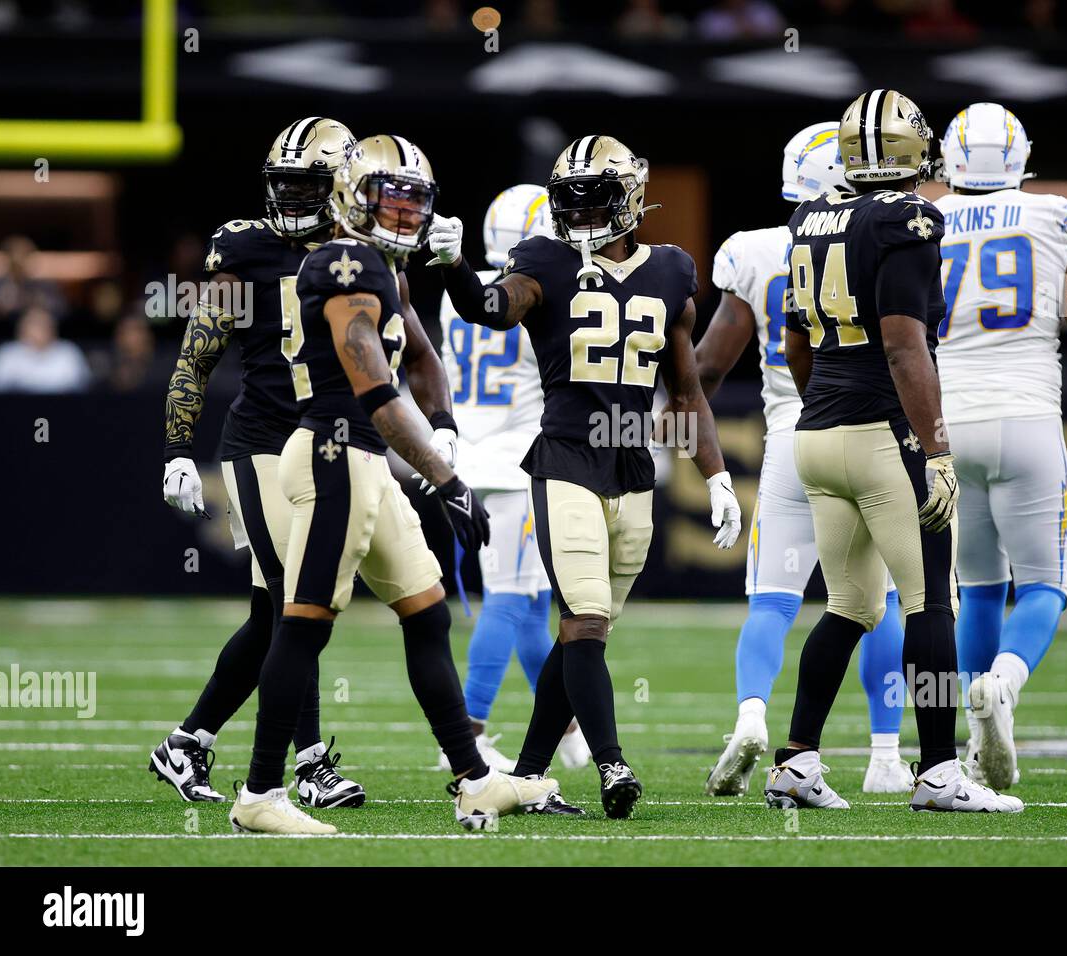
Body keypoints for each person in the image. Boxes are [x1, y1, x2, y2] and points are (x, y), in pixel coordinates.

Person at [231, 133, 562, 835]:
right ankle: (260, 793)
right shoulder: (349, 263)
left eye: (417, 201)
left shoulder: (380, 263)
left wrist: (442, 421)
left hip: (362, 461)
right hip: (332, 454)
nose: (408, 214)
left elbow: (417, 353)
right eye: (393, 198)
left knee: (427, 611)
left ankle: (475, 779)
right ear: (354, 194)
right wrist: (446, 477)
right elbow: (374, 387)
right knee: (305, 621)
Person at [428, 134, 741, 818]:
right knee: (587, 624)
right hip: (565, 460)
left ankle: (531, 776)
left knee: (577, 638)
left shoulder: (670, 270)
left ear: (628, 196)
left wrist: (715, 473)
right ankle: (611, 764)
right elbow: (488, 308)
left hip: (633, 471)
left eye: (595, 200)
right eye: (571, 202)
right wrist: (453, 265)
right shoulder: (543, 259)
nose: (583, 216)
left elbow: (686, 391)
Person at [764, 89, 1022, 813]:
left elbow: (795, 341)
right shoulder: (907, 219)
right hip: (884, 436)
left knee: (847, 605)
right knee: (929, 602)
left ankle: (796, 761)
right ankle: (939, 772)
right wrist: (934, 448)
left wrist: (831, 404)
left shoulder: (809, 216)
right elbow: (906, 346)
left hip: (816, 434)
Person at [153, 118, 370, 809]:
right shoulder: (244, 246)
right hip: (261, 443)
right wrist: (178, 452)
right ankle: (307, 763)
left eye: (306, 185)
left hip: (324, 443)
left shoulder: (357, 251)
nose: (292, 199)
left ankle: (186, 743)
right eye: (284, 186)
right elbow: (198, 351)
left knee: (266, 612)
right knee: (296, 600)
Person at [693, 121, 911, 797]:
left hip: (791, 437)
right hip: (866, 431)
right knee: (881, 601)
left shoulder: (755, 251)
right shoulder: (880, 234)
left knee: (772, 601)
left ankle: (751, 715)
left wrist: (698, 459)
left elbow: (705, 367)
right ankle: (884, 754)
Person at [936, 102, 1067, 790]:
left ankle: (973, 736)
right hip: (1026, 419)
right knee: (1046, 585)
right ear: (1019, 158)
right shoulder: (1053, 215)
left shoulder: (923, 221)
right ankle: (1006, 688)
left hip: (947, 422)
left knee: (977, 588)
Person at [433, 183, 590, 772]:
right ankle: (467, 737)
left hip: (470, 461)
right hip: (520, 460)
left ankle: (568, 728)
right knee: (508, 597)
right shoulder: (536, 291)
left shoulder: (459, 294)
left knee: (533, 598)